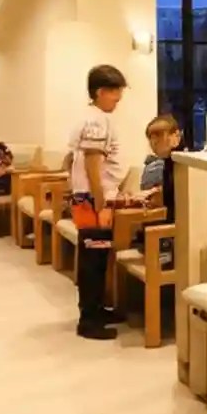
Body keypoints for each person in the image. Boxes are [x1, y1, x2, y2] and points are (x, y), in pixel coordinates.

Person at [68, 64, 131, 341]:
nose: (119, 98)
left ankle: (96, 309)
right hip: (93, 201)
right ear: (101, 91)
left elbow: (70, 159)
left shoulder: (90, 117)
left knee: (98, 257)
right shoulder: (96, 121)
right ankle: (89, 320)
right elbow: (93, 165)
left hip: (88, 198)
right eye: (115, 92)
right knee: (93, 261)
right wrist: (101, 203)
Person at [129, 114, 182, 268]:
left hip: (175, 231)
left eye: (160, 135)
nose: (155, 142)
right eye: (151, 137)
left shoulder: (182, 164)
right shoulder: (163, 164)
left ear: (176, 136)